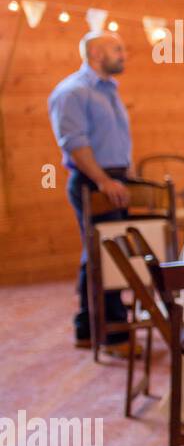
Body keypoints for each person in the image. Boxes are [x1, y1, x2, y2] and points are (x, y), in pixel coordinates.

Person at [48, 32, 133, 352]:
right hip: (94, 182)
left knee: (96, 255)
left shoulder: (109, 90)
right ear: (96, 53)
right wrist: (103, 181)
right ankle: (113, 334)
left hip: (115, 179)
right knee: (106, 256)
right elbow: (74, 144)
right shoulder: (73, 91)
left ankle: (87, 328)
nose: (123, 53)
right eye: (117, 48)